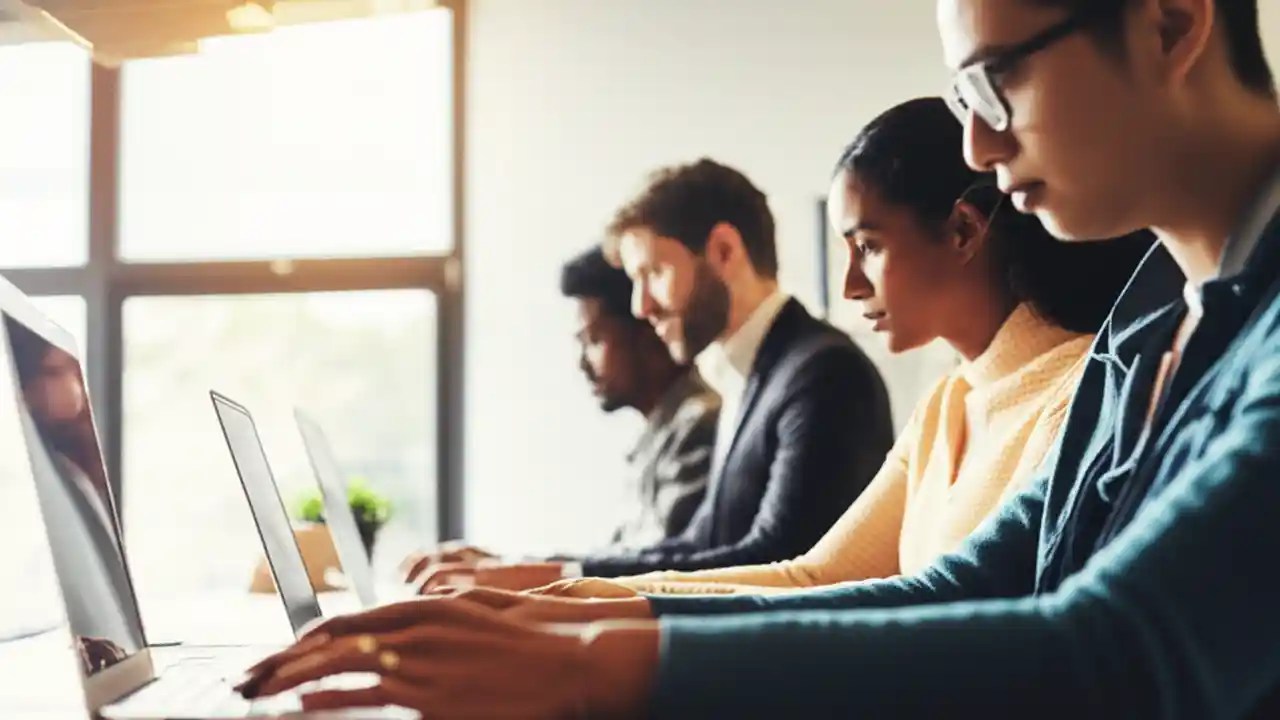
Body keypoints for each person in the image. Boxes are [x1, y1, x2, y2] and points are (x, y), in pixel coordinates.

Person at [239, 0, 1280, 716]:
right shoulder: (1146, 328)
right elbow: (960, 585)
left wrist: (593, 660)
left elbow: (1113, 656)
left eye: (993, 82)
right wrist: (565, 618)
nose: (974, 145)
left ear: (1168, 20)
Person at [537, 97, 1152, 600]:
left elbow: (939, 607)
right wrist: (574, 599)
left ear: (964, 231)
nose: (852, 285)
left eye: (870, 248)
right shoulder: (946, 403)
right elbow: (816, 574)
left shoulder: (1074, 396)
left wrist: (584, 610)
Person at [411, 159, 895, 592]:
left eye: (654, 273)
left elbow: (777, 561)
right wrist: (536, 570)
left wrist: (555, 580)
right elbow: (697, 545)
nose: (641, 306)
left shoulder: (822, 372)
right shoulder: (756, 376)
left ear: (724, 251)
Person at [402, 247, 720, 586]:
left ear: (647, 330)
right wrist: (502, 566)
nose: (582, 364)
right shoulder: (660, 434)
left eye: (594, 340)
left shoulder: (699, 424)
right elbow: (626, 560)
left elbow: (660, 571)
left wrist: (512, 573)